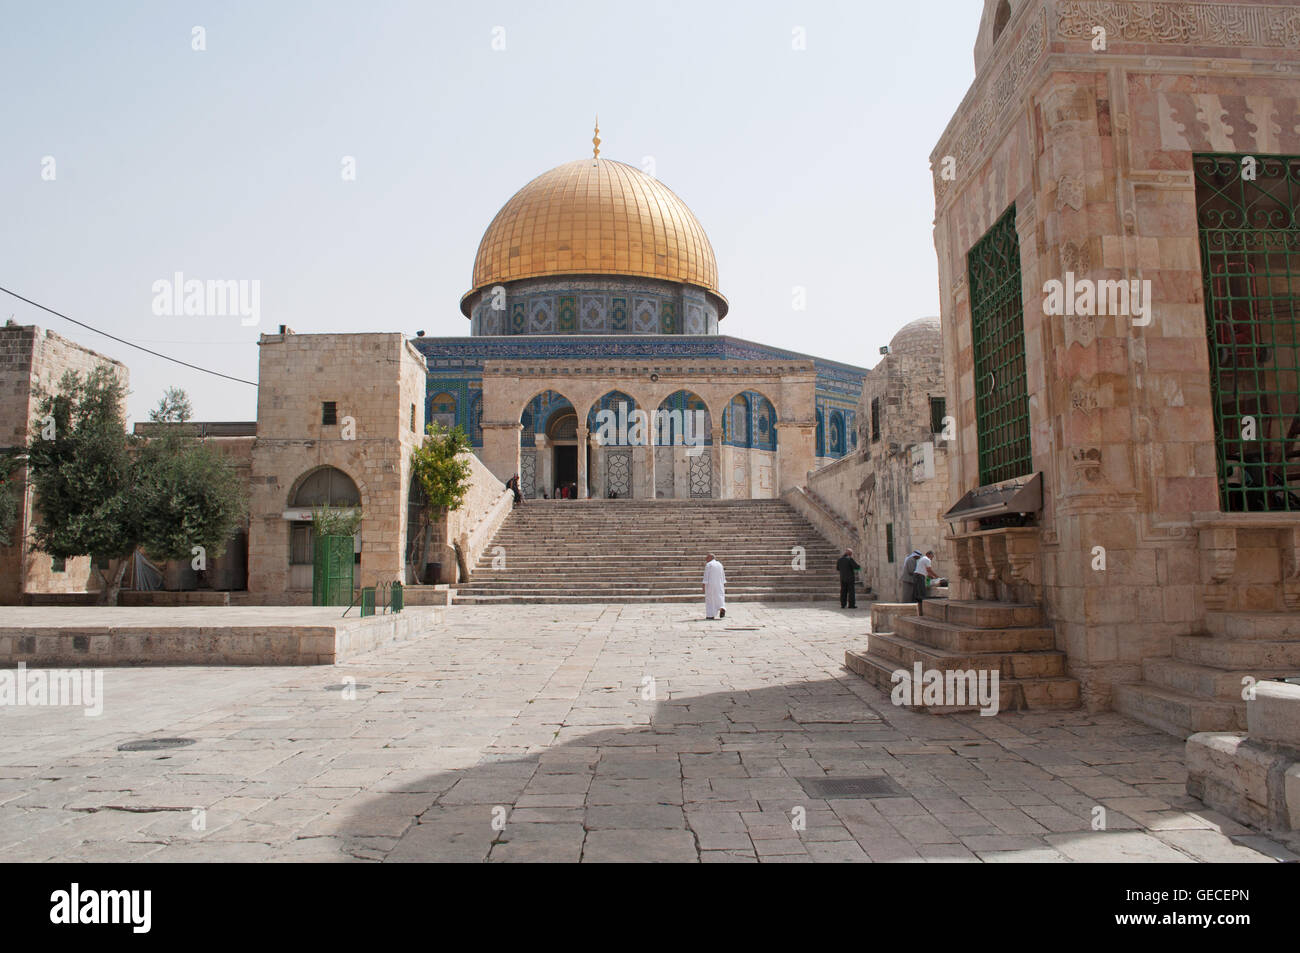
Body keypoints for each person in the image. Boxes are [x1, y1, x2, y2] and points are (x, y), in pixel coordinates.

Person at [702, 552, 726, 620]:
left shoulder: (709, 565)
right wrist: (723, 582)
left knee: (710, 599)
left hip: (710, 584)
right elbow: (723, 575)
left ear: (710, 558)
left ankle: (710, 615)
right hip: (719, 583)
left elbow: (706, 576)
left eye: (707, 557)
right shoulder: (720, 564)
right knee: (719, 596)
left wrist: (704, 584)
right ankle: (722, 607)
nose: (706, 559)